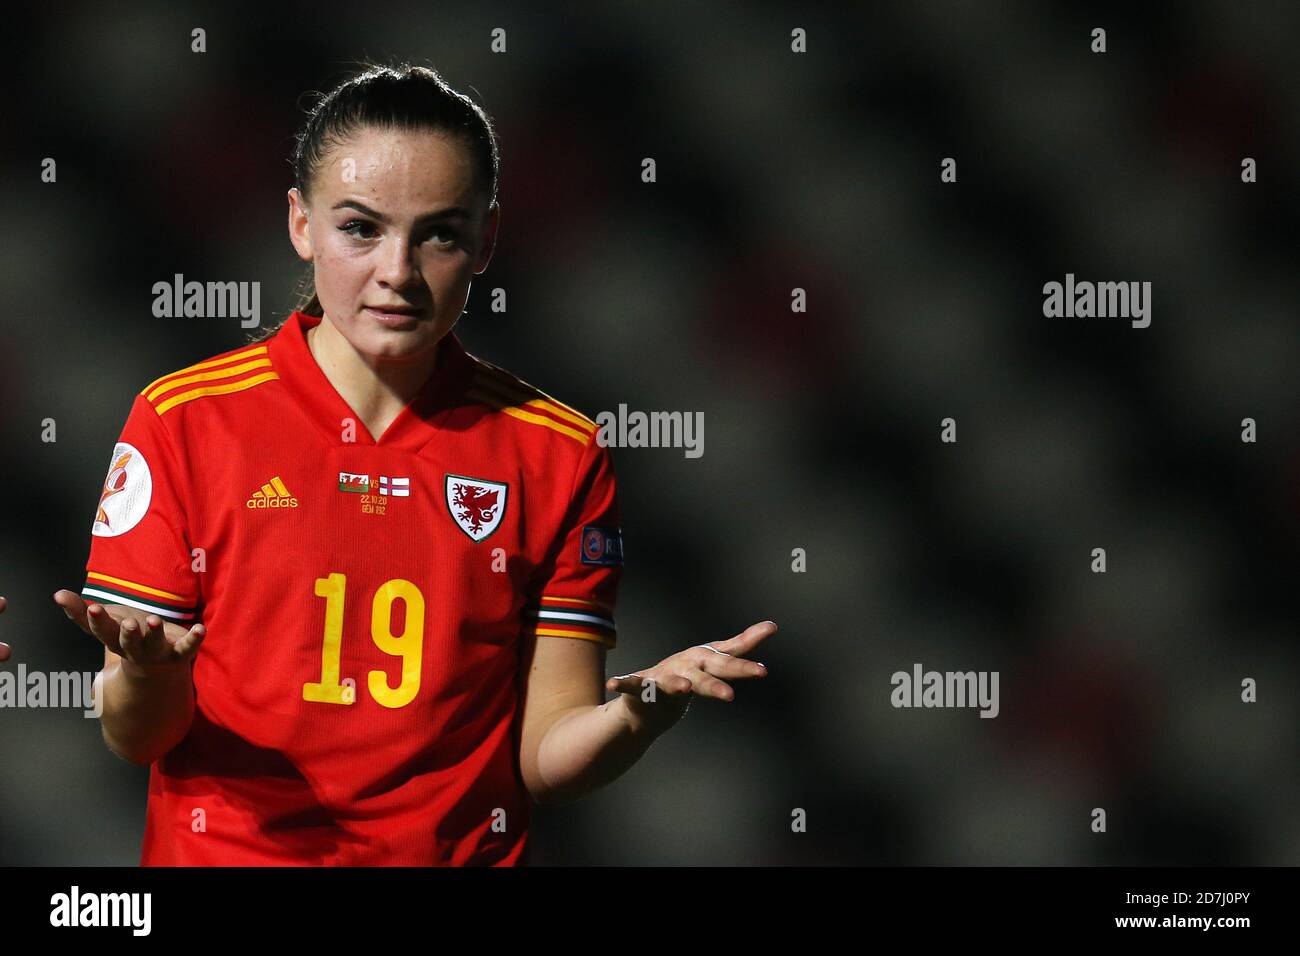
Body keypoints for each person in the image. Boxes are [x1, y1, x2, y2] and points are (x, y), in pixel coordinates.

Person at [52, 62, 775, 865]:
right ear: (300, 223)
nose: (397, 271)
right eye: (360, 228)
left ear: (486, 241)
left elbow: (544, 758)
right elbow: (134, 734)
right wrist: (150, 678)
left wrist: (636, 714)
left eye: (438, 233)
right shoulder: (186, 421)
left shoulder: (556, 452)